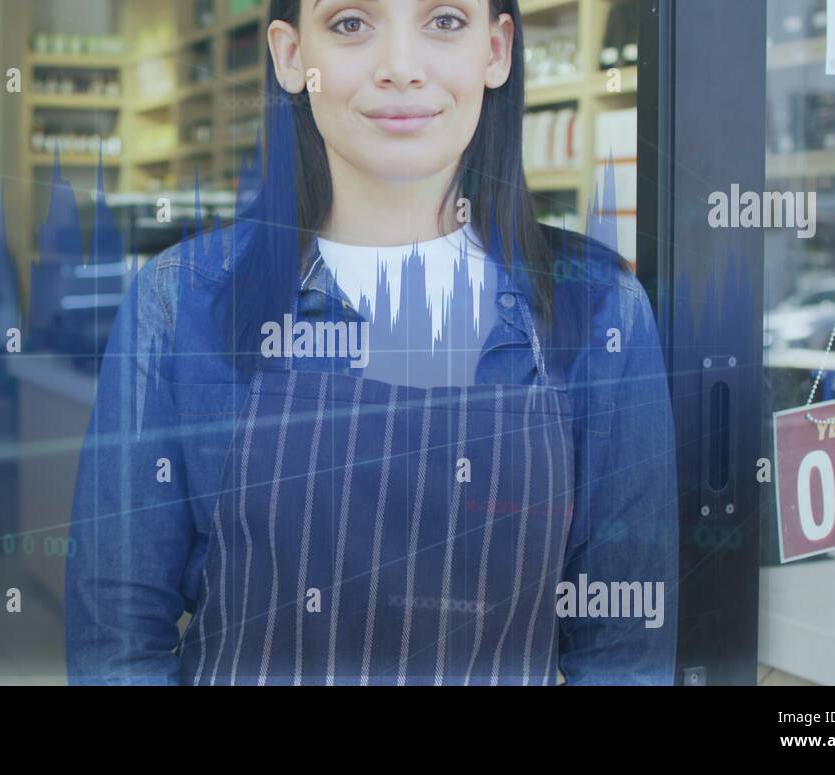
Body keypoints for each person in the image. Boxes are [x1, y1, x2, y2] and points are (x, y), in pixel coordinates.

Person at [66, 0, 678, 685]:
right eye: (352, 23)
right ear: (292, 57)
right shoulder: (181, 305)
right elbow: (118, 648)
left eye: (444, 20)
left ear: (497, 51)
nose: (400, 69)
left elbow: (624, 658)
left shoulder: (599, 312)